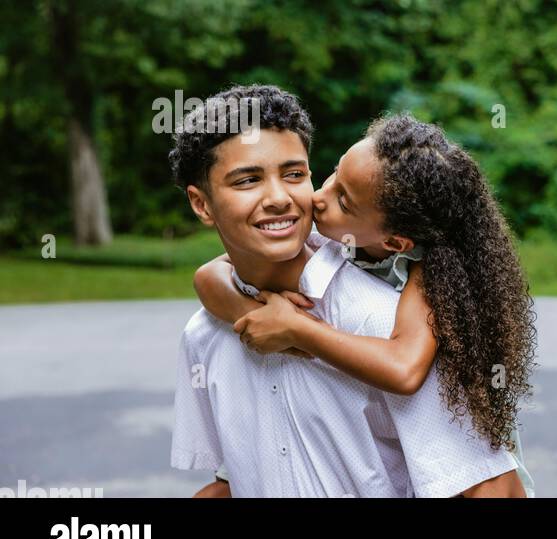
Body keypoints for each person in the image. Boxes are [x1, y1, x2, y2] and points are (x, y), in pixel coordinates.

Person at [170, 85, 526, 497]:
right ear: (201, 204)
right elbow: (247, 474)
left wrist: (299, 329)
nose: (282, 198)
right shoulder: (205, 335)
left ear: (396, 241)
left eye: (294, 174)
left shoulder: (386, 318)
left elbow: (492, 483)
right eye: (248, 179)